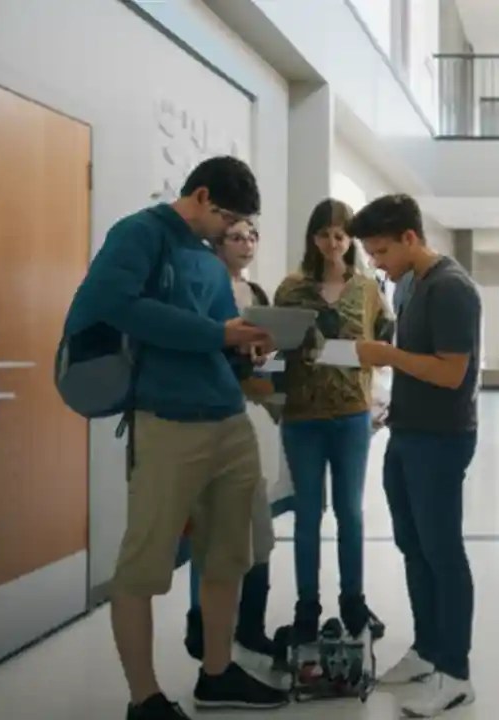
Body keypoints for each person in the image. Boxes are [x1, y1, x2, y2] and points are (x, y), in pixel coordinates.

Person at [62, 156, 288, 719]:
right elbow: (113, 306)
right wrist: (216, 331)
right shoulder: (138, 234)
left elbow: (212, 335)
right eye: (228, 217)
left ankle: (217, 675)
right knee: (142, 565)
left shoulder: (209, 263)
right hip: (165, 421)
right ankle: (145, 700)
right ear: (201, 195)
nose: (232, 231)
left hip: (227, 419)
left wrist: (245, 345)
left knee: (228, 557)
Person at [351, 194, 481, 717]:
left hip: (441, 440)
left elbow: (451, 374)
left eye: (381, 251)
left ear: (410, 238)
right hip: (406, 433)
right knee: (413, 546)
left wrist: (386, 357)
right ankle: (427, 650)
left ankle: (456, 672)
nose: (376, 263)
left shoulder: (451, 288)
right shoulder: (411, 286)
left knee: (442, 551)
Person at [275, 198, 394, 645]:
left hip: (351, 415)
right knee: (307, 514)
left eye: (340, 235)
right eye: (323, 234)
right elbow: (276, 347)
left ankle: (353, 602)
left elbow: (385, 338)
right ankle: (307, 606)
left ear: (351, 241)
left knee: (350, 512)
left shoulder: (367, 288)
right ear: (312, 238)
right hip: (303, 416)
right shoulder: (291, 288)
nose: (332, 243)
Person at [183, 219, 279, 661]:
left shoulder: (257, 295)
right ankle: (202, 629)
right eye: (237, 236)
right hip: (205, 421)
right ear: (216, 244)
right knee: (210, 533)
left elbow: (262, 354)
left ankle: (251, 627)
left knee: (258, 532)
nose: (247, 244)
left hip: (246, 418)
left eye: (252, 236)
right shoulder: (199, 289)